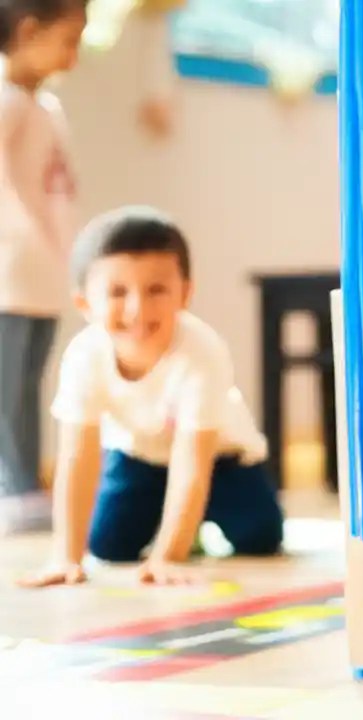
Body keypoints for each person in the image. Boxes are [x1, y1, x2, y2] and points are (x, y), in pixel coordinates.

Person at [19, 205, 284, 588]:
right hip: (138, 457)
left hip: (223, 460)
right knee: (109, 545)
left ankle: (184, 528)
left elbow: (193, 459)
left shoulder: (202, 350)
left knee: (260, 537)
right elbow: (77, 456)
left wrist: (168, 557)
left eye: (157, 289)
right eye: (116, 292)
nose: (137, 309)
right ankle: (176, 522)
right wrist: (66, 556)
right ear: (84, 304)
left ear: (185, 293)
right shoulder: (83, 356)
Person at [0, 0, 86, 535]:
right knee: (7, 386)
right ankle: (16, 486)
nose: (75, 55)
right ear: (29, 31)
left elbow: (59, 192)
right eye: (69, 39)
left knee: (32, 380)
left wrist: (70, 254)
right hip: (10, 274)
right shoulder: (6, 102)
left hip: (45, 274)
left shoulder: (46, 108)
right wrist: (27, 241)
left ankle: (27, 481)